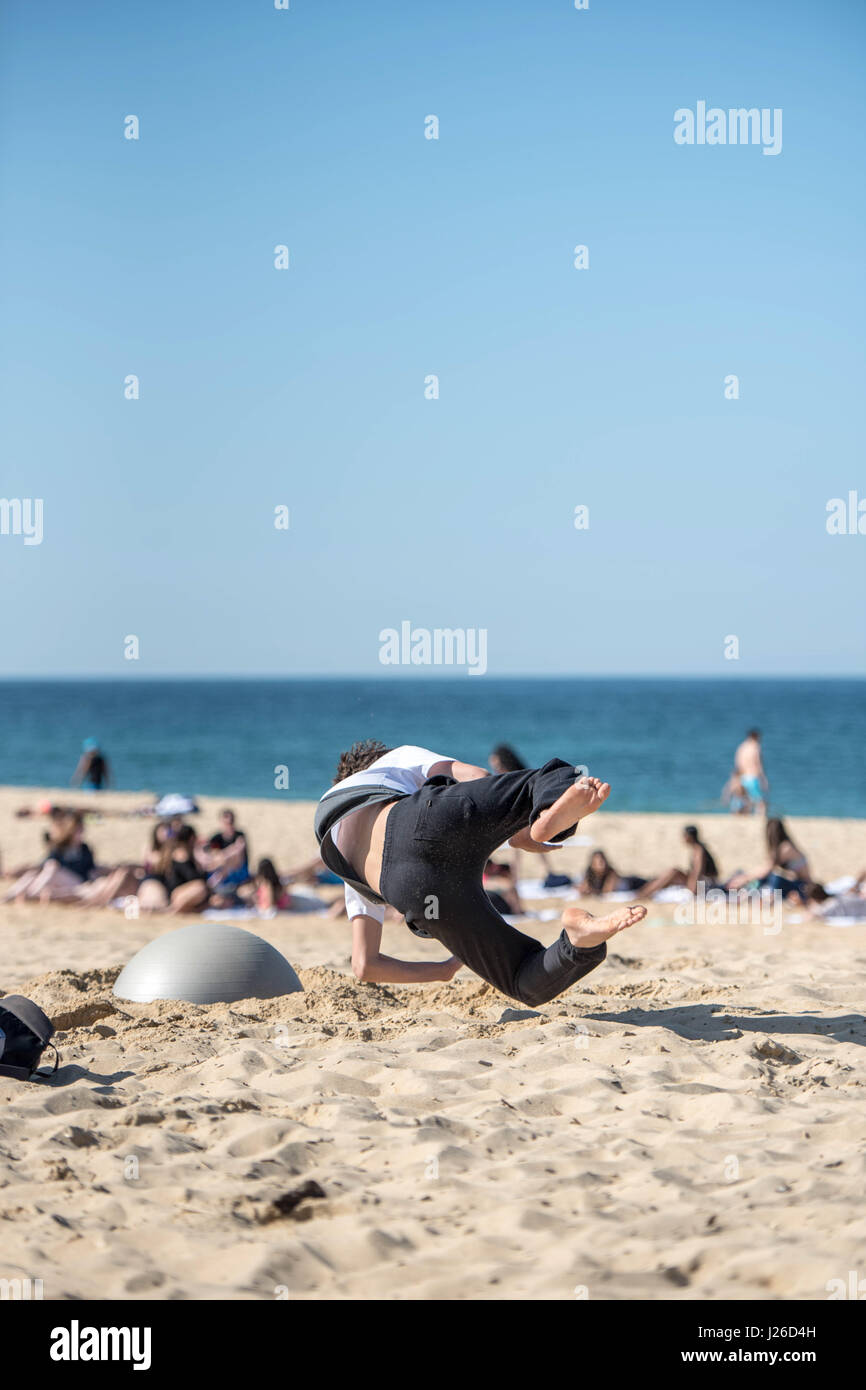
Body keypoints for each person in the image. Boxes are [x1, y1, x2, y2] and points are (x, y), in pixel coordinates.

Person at [314, 740, 646, 1006]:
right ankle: (542, 819)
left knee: (522, 981)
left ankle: (578, 940)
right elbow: (477, 776)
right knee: (541, 779)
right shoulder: (394, 759)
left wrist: (443, 971)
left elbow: (364, 965)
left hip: (409, 889)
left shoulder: (346, 854)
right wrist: (513, 830)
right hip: (419, 821)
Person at [727, 817, 814, 904]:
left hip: (802, 887)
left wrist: (743, 879)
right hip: (793, 884)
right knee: (747, 874)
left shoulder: (786, 848)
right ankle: (744, 893)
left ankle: (747, 894)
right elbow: (765, 868)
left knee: (774, 877)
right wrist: (743, 877)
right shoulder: (782, 847)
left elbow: (766, 869)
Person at [137, 824, 209, 913]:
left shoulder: (182, 853)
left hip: (178, 892)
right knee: (200, 887)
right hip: (177, 893)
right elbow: (192, 877)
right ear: (191, 838)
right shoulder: (181, 854)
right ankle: (171, 912)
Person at [641, 825, 719, 899]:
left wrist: (691, 891)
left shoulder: (699, 850)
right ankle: (646, 892)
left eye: (684, 836)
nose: (683, 839)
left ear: (689, 837)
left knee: (673, 872)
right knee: (672, 874)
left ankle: (644, 894)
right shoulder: (698, 848)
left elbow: (697, 872)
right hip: (703, 882)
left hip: (706, 884)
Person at [579, 850, 647, 896]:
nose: (602, 865)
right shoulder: (589, 873)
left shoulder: (611, 872)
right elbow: (583, 889)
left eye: (603, 861)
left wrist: (592, 891)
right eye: (599, 863)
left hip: (633, 883)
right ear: (593, 864)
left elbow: (607, 891)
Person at [733, 729, 767, 814]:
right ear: (756, 737)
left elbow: (737, 763)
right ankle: (760, 816)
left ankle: (738, 813)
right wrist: (763, 779)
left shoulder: (742, 747)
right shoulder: (755, 747)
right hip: (753, 776)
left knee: (743, 798)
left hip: (743, 776)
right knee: (758, 799)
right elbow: (758, 764)